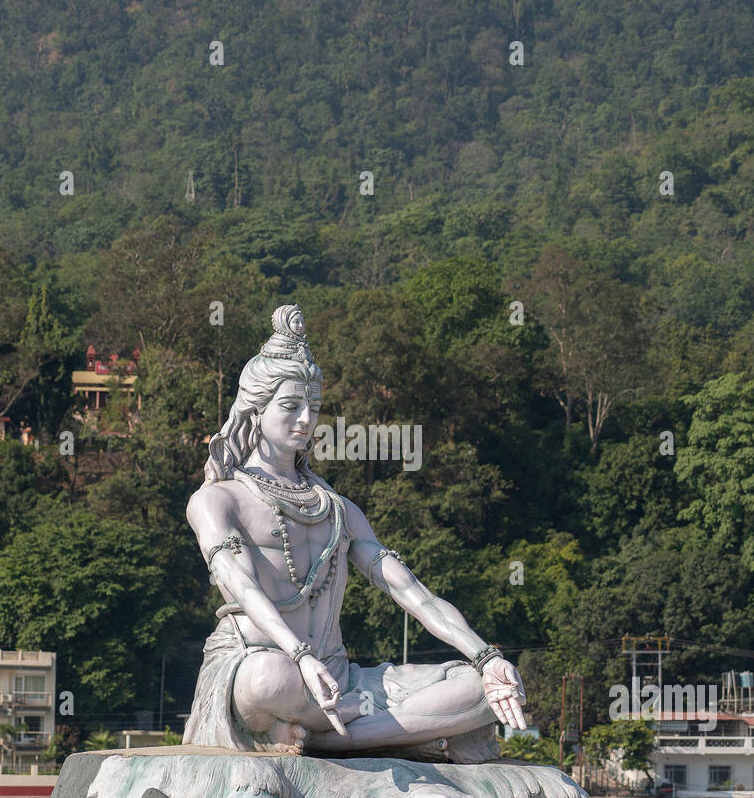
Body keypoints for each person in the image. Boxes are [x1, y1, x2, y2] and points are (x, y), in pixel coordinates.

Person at [183, 304, 527, 763]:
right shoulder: (218, 499)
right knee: (268, 679)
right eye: (290, 406)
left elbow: (413, 594)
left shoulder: (337, 508)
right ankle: (404, 735)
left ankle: (329, 738)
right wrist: (301, 656)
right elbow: (242, 587)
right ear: (255, 409)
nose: (305, 419)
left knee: (480, 689)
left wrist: (486, 656)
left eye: (314, 407)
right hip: (268, 667)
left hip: (338, 681)